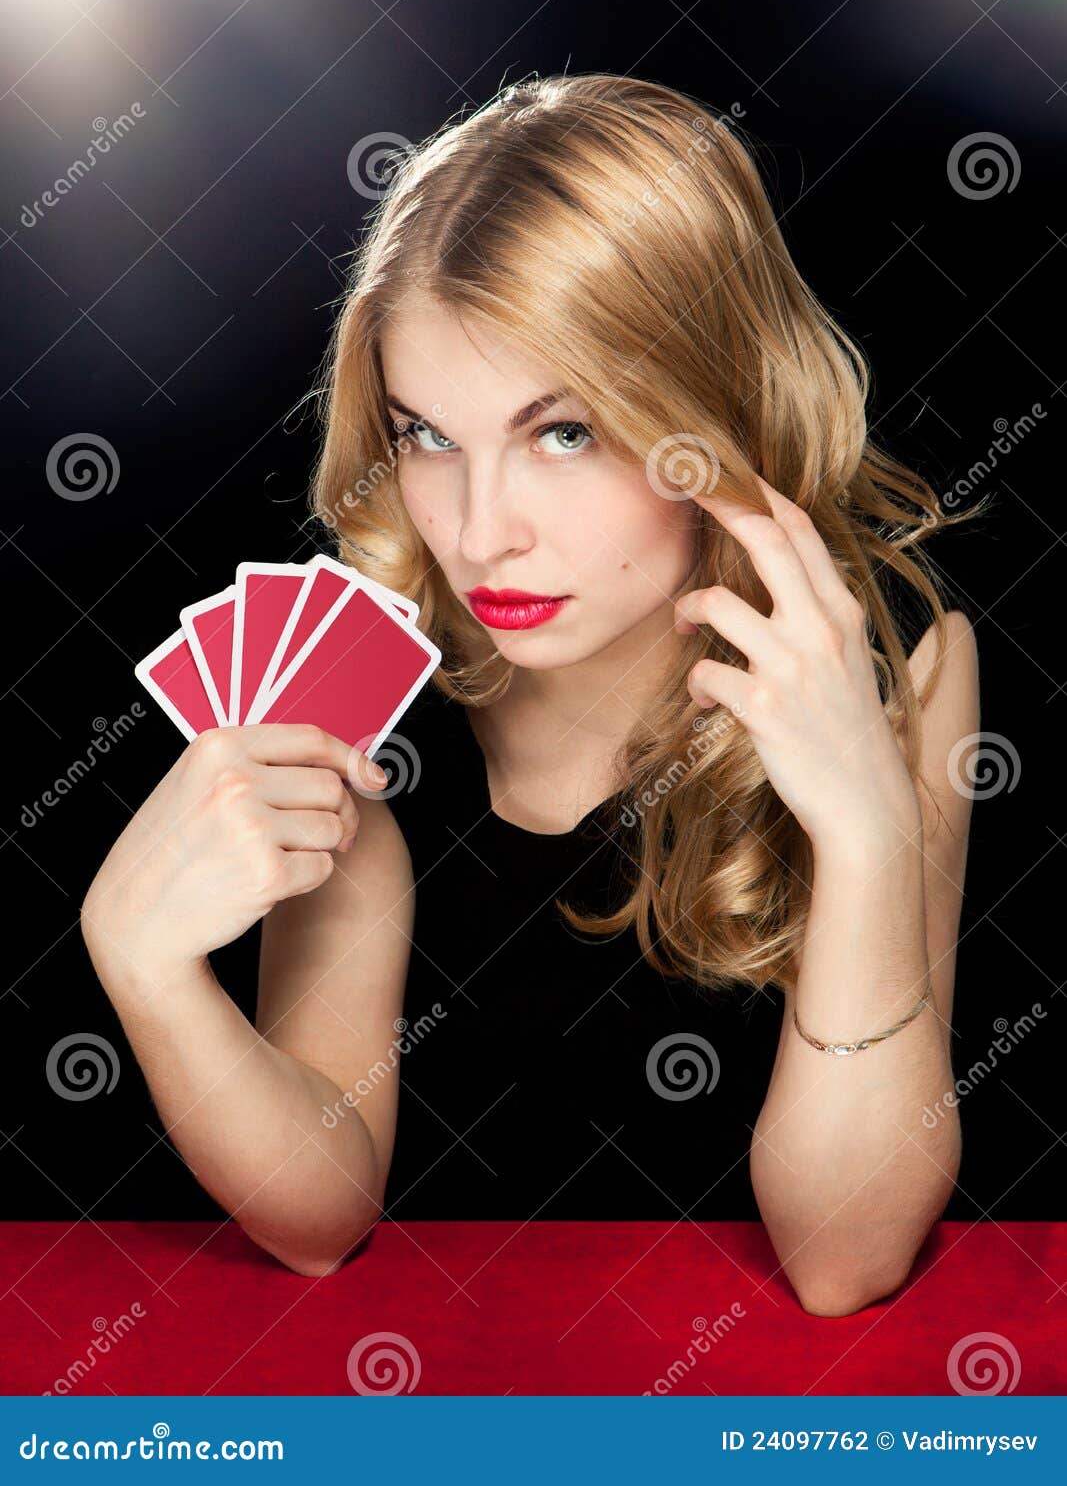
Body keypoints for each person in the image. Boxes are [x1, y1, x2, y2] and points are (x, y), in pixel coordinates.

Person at [81, 74, 982, 1314]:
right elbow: (316, 1213)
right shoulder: (362, 687)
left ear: (705, 407)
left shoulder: (900, 659)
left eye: (562, 433)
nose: (478, 532)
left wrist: (870, 834)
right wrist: (139, 962)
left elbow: (845, 1257)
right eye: (427, 436)